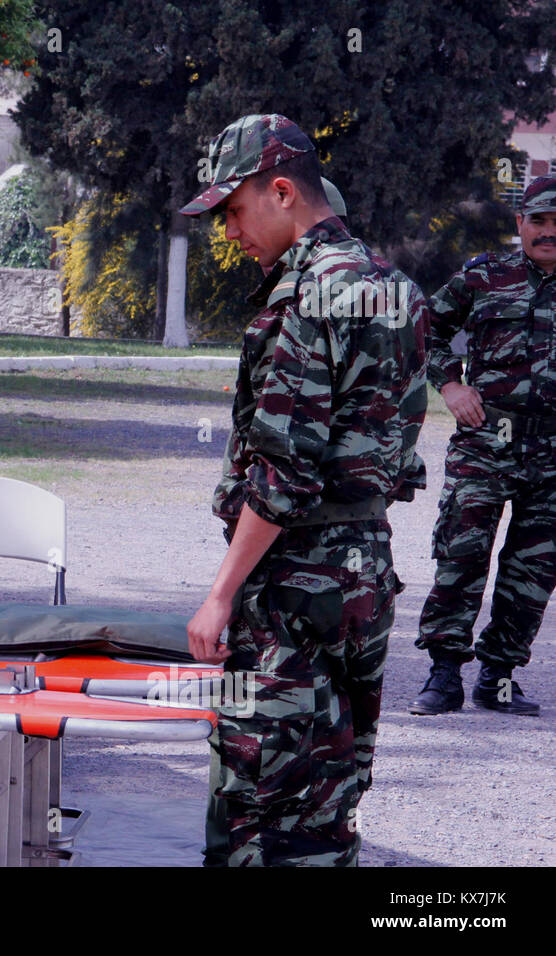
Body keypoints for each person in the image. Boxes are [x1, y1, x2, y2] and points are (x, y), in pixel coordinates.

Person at [183, 114, 428, 866]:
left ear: (282, 191)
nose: (228, 231)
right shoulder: (397, 287)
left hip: (292, 584)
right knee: (334, 794)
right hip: (365, 576)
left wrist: (222, 593)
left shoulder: (306, 296)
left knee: (263, 805)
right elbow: (400, 448)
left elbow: (283, 473)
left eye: (233, 210)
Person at [408, 176, 556, 717]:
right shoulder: (484, 276)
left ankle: (498, 675)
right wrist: (449, 383)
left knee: (534, 568)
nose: (547, 233)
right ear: (521, 224)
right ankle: (444, 673)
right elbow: (424, 327)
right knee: (462, 554)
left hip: (552, 452)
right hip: (486, 442)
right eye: (538, 221)